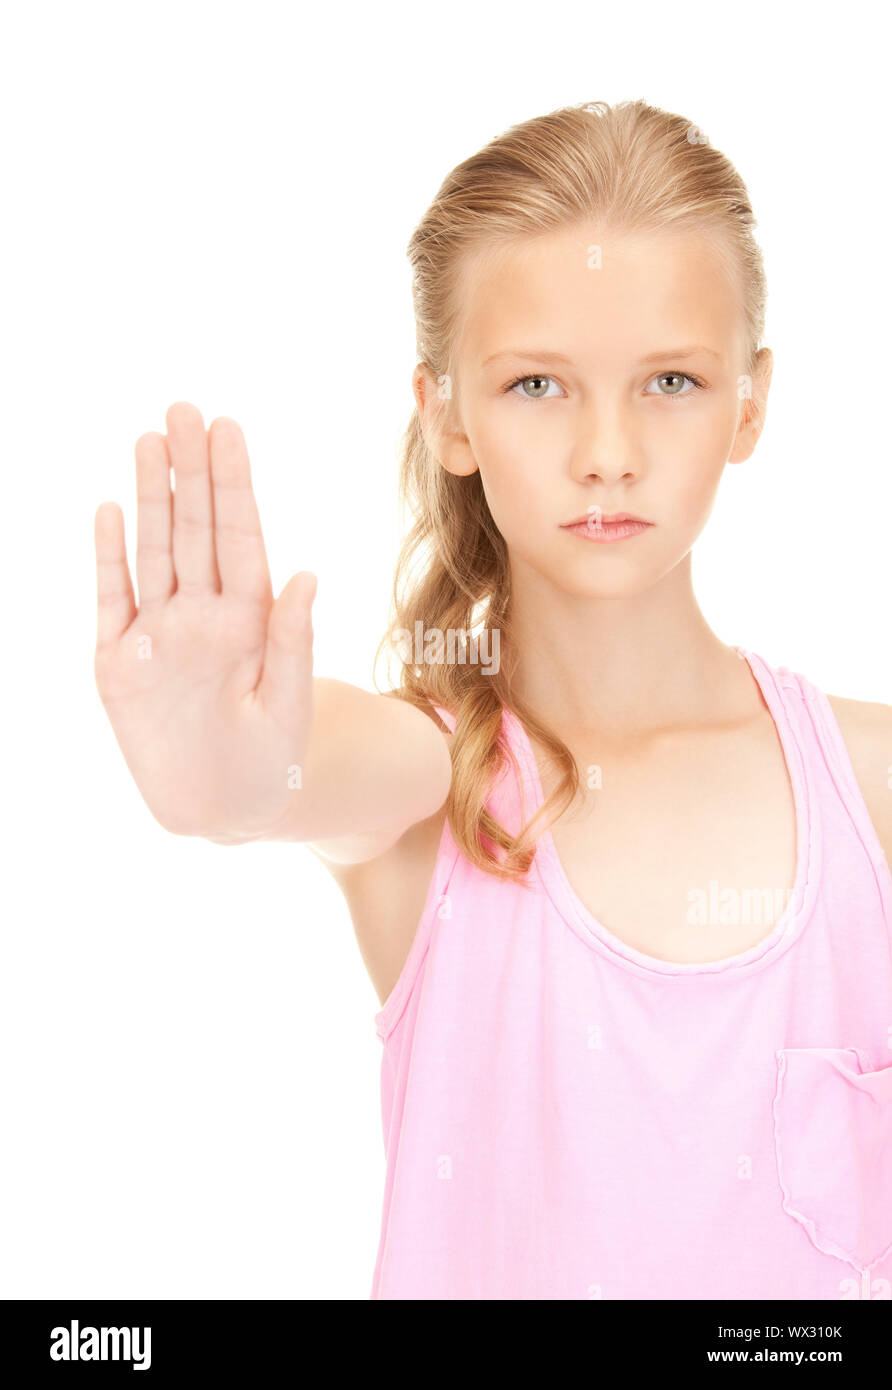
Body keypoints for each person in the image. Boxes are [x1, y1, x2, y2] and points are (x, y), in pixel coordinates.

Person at [93, 98, 892, 1300]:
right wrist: (233, 779)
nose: (607, 450)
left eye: (669, 378)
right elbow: (306, 767)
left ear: (751, 401)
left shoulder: (867, 784)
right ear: (446, 414)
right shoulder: (438, 775)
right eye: (536, 386)